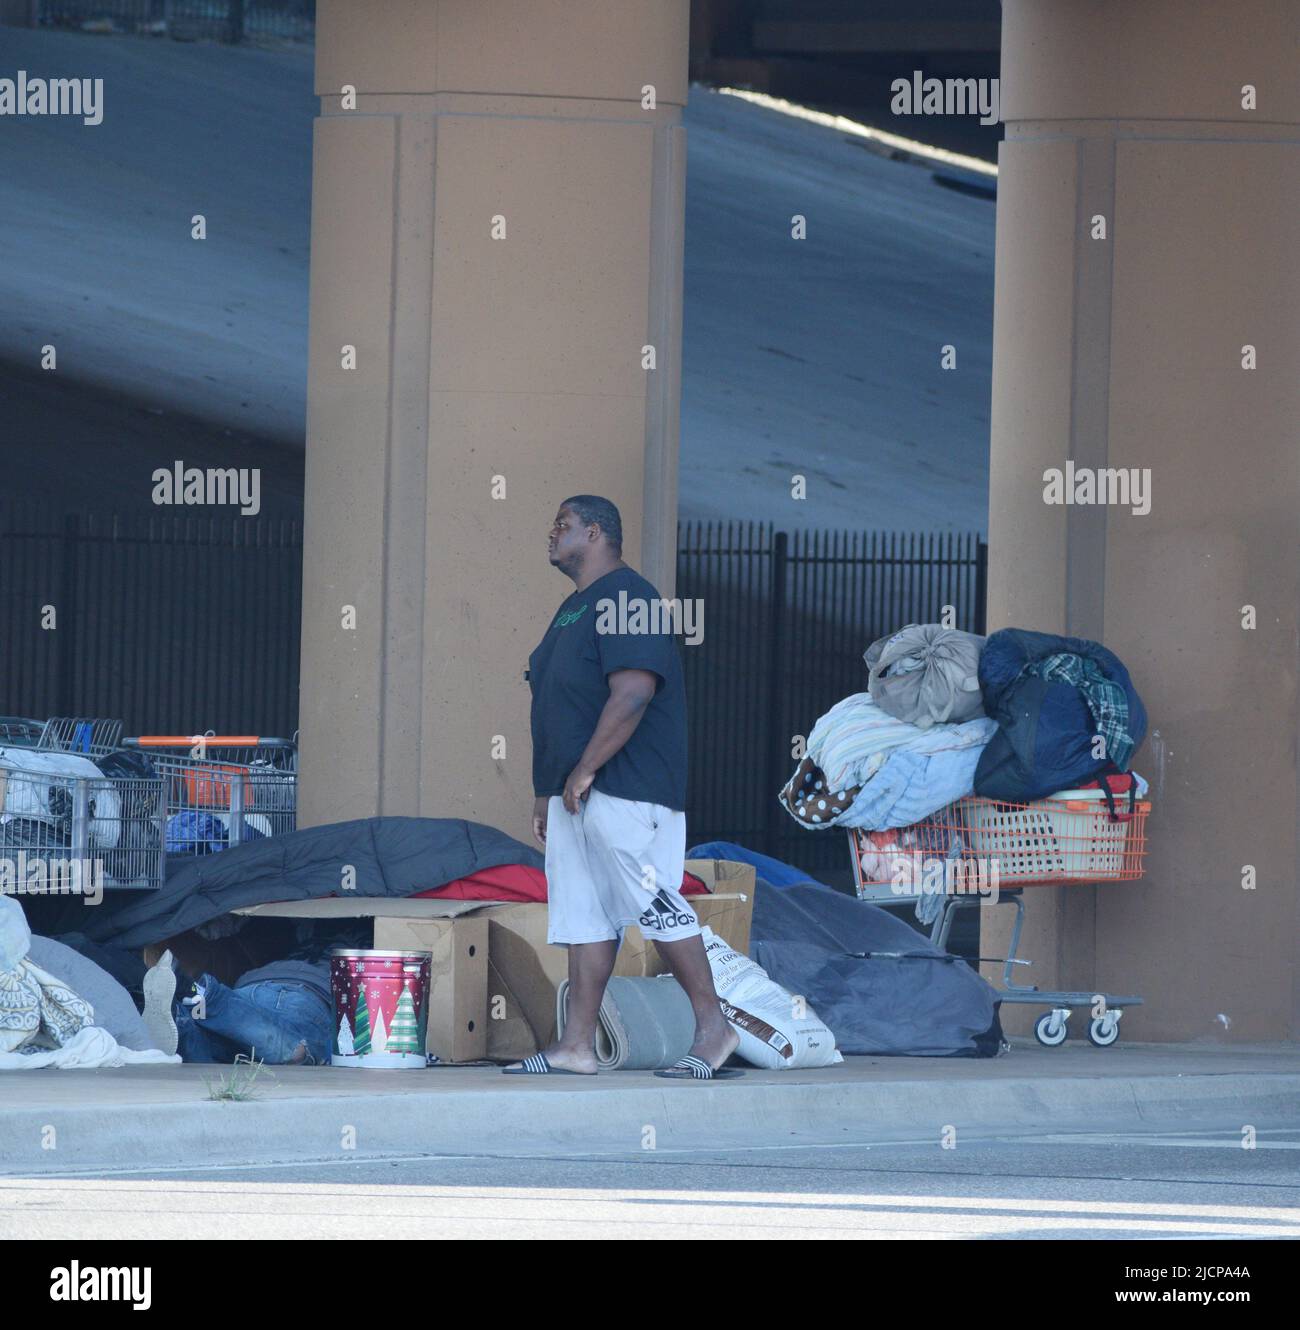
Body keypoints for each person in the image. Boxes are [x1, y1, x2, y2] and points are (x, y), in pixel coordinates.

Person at [505, 495, 740, 1079]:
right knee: (584, 915)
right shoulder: (572, 608)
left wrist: (586, 769)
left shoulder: (631, 598)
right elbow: (556, 701)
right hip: (575, 793)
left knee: (654, 903)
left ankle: (715, 1029)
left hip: (627, 787)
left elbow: (633, 692)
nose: (551, 533)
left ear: (597, 532)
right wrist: (547, 787)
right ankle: (577, 1045)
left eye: (563, 524)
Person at [142, 948, 334, 1066]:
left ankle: (180, 1020)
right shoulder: (349, 952)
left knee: (225, 1055)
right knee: (297, 1053)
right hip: (302, 991)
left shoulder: (294, 945)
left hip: (246, 991)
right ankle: (201, 995)